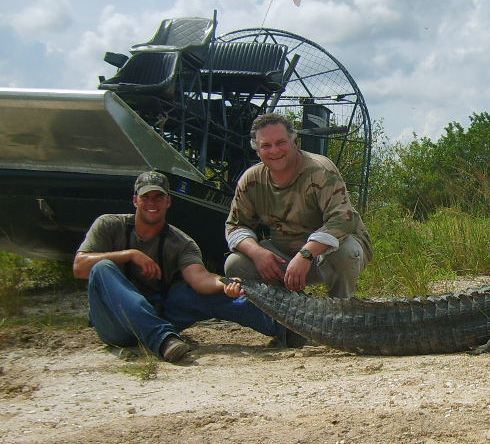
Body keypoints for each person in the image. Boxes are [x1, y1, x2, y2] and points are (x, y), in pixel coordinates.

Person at [74, 170, 300, 363]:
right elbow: (80, 267)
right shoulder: (108, 225)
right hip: (115, 323)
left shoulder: (180, 242)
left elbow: (200, 279)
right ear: (135, 201)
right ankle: (162, 340)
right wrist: (131, 255)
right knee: (103, 267)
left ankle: (289, 329)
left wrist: (227, 284)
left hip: (160, 312)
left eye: (158, 197)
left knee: (210, 293)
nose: (152, 203)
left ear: (168, 201)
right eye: (146, 197)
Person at [224, 112, 371, 298]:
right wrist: (257, 252)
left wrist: (306, 254)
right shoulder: (251, 179)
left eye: (281, 142)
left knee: (345, 252)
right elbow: (235, 226)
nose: (275, 151)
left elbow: (342, 219)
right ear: (257, 150)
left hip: (325, 256)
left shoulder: (320, 169)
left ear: (294, 141)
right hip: (284, 256)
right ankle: (287, 308)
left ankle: (343, 305)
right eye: (266, 146)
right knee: (235, 264)